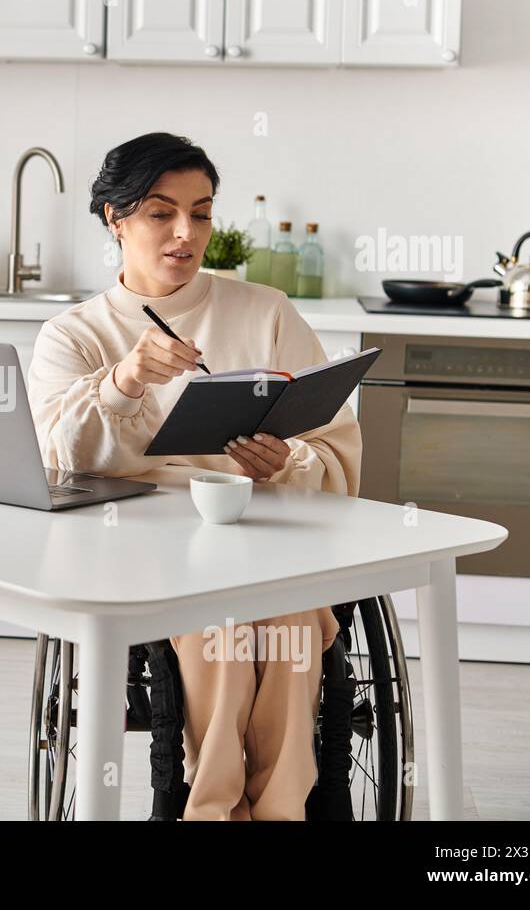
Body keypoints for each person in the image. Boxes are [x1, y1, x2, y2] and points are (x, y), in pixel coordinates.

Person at [26, 132, 361, 820]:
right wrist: (122, 381)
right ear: (115, 219)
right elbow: (61, 462)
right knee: (218, 627)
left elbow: (336, 457)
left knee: (291, 617)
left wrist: (289, 463)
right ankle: (216, 809)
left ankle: (277, 812)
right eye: (160, 212)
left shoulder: (265, 312)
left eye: (202, 213)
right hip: (141, 553)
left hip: (266, 537)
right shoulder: (74, 335)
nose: (186, 233)